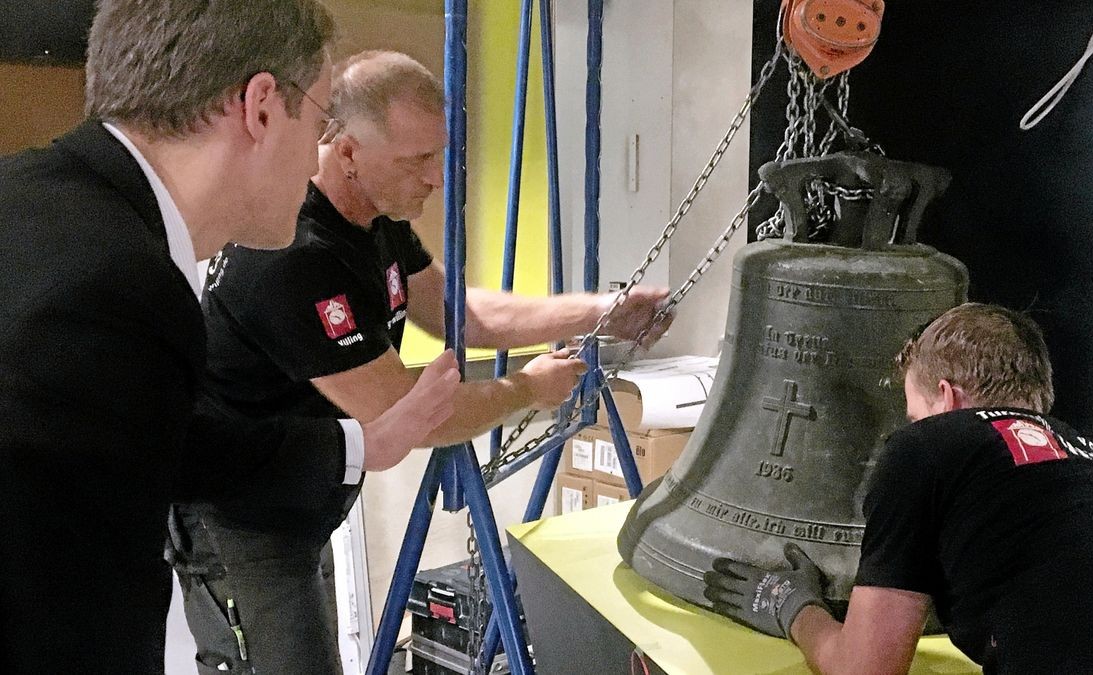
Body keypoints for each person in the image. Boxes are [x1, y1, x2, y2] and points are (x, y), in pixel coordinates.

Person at [170, 50, 673, 672]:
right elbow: (409, 416)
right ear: (348, 151)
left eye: (440, 156)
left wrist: (601, 311)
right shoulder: (296, 256)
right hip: (238, 519)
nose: (436, 178)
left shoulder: (373, 217)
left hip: (295, 494)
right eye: (418, 161)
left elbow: (462, 313)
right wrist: (529, 388)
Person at [0, 3, 462, 672]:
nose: (318, 157)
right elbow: (71, 622)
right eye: (322, 118)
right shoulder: (114, 282)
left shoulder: (46, 200)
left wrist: (364, 442)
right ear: (263, 108)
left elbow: (158, 432)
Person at [704, 303, 1093, 674]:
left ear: (945, 395)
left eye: (915, 413)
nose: (914, 426)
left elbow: (866, 670)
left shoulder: (928, 444)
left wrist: (792, 608)